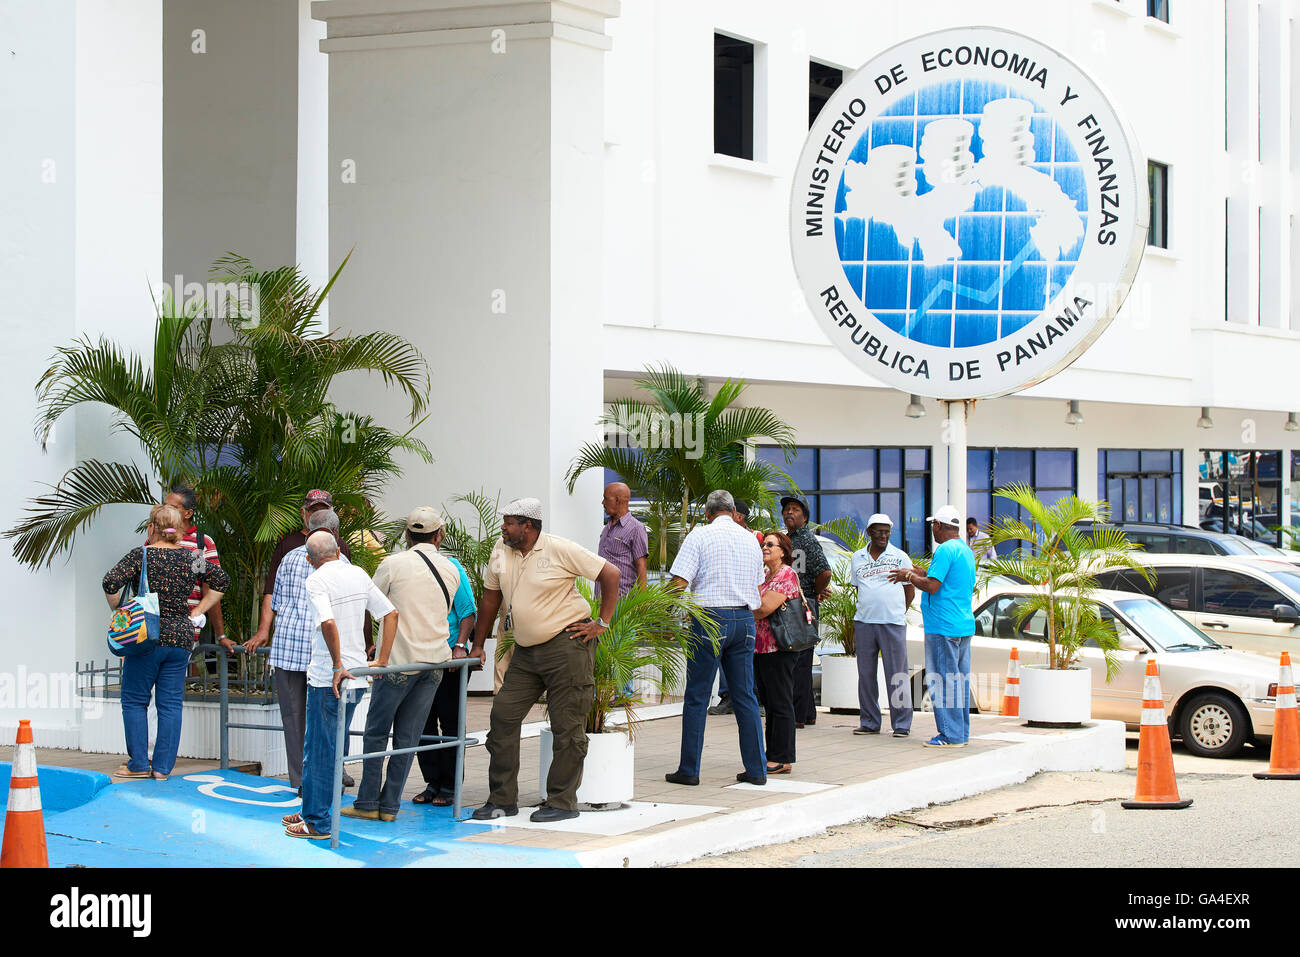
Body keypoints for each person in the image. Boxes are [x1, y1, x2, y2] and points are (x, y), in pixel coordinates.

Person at [468, 498, 619, 823]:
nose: (503, 528)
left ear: (528, 526)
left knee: (567, 726)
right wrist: (478, 645)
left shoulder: (559, 549)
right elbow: (490, 599)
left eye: (509, 522)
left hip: (567, 646)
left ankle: (562, 802)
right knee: (503, 718)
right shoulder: (501, 550)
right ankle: (502, 799)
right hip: (525, 651)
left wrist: (602, 623)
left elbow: (611, 573)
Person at [345, 507, 462, 822]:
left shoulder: (392, 563)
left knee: (376, 733)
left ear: (408, 535)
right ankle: (390, 807)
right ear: (440, 535)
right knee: (408, 738)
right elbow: (449, 607)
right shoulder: (451, 568)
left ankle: (368, 802)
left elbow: (373, 604)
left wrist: (374, 642)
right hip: (435, 662)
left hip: (397, 663)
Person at [103, 503, 230, 780]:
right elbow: (221, 580)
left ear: (151, 528)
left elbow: (110, 582)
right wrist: (197, 610)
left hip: (146, 636)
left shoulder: (142, 555)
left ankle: (137, 764)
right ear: (179, 531)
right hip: (181, 637)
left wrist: (118, 610)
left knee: (135, 700)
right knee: (170, 704)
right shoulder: (191, 558)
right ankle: (162, 768)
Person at [284, 531, 398, 839]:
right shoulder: (357, 573)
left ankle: (317, 820)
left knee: (320, 749)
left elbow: (327, 622)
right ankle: (313, 809)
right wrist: (382, 659)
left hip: (328, 678)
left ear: (309, 560)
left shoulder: (316, 580)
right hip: (357, 675)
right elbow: (390, 613)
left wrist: (336, 665)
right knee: (324, 746)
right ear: (338, 551)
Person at [665, 490, 767, 787]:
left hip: (709, 619)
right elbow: (758, 586)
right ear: (734, 511)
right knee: (745, 696)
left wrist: (663, 614)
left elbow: (679, 583)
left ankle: (689, 769)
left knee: (697, 695)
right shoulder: (750, 539)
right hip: (744, 620)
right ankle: (757, 769)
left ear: (708, 513)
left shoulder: (699, 536)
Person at [261, 507, 356, 793]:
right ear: (336, 534)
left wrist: (264, 631)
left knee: (293, 720)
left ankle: (301, 781)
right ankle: (328, 778)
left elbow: (275, 602)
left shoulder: (290, 558)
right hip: (323, 653)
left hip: (289, 648)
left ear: (308, 528)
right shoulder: (344, 565)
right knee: (326, 720)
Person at [889, 505, 976, 748]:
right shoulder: (964, 550)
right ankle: (961, 733)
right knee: (959, 681)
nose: (932, 530)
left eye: (933, 525)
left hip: (942, 626)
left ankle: (950, 735)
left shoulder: (945, 550)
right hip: (962, 625)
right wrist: (920, 572)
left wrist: (908, 577)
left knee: (943, 680)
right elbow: (942, 579)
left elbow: (932, 586)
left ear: (939, 525)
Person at [414, 517, 478, 807]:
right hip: (416, 658)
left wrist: (461, 646)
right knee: (421, 723)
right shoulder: (404, 566)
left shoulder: (453, 568)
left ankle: (451, 786)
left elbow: (468, 612)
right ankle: (432, 782)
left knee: (450, 721)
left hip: (449, 659)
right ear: (439, 535)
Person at [850, 513, 915, 738]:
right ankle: (869, 721)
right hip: (865, 623)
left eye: (887, 531)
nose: (883, 535)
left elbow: (910, 590)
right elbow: (859, 588)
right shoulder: (857, 557)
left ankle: (902, 724)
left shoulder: (900, 557)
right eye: (879, 531)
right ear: (869, 532)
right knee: (866, 675)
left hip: (892, 623)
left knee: (897, 674)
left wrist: (896, 611)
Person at [752, 531, 801, 775]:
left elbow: (763, 609)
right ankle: (773, 754)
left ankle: (782, 757)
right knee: (770, 702)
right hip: (762, 647)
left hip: (779, 647)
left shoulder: (786, 574)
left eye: (771, 545)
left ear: (783, 550)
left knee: (780, 701)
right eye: (763, 544)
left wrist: (742, 609)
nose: (765, 548)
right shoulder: (765, 575)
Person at [781, 494, 831, 727]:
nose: (789, 512)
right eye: (787, 509)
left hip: (802, 604)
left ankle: (797, 716)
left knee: (798, 660)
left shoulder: (807, 540)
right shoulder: (787, 539)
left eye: (795, 510)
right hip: (791, 604)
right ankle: (808, 712)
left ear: (805, 517)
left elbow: (825, 572)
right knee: (800, 657)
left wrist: (814, 593)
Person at [162, 486, 227, 653]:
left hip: (185, 632)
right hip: (154, 630)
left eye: (172, 507)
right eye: (164, 506)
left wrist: (221, 635)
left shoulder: (202, 543)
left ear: (188, 513)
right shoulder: (156, 539)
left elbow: (211, 589)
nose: (165, 511)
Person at [598, 482, 648, 700]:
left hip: (623, 600)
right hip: (601, 601)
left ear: (619, 500)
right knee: (602, 649)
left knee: (622, 649)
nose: (602, 502)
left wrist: (641, 600)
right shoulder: (606, 527)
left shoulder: (636, 528)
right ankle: (603, 693)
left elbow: (641, 566)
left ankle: (623, 694)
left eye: (606, 498)